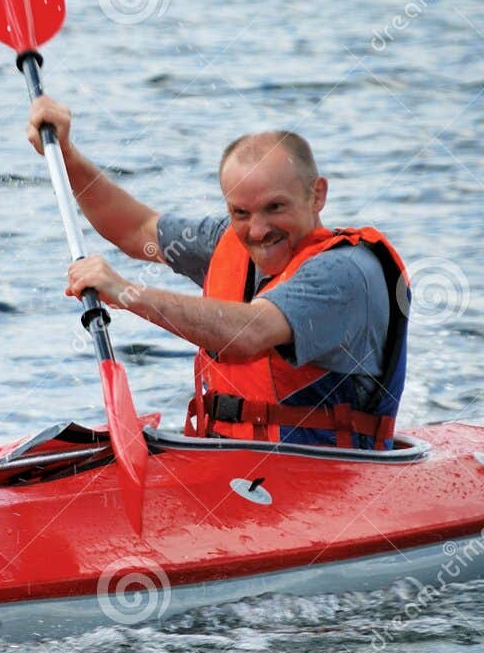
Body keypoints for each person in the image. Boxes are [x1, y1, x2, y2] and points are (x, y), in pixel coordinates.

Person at [27, 97, 411, 449]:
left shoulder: (345, 274)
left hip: (328, 478)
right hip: (234, 468)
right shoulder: (228, 241)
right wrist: (67, 157)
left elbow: (250, 333)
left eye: (275, 207)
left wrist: (127, 293)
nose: (258, 230)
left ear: (317, 195)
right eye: (240, 213)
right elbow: (136, 229)